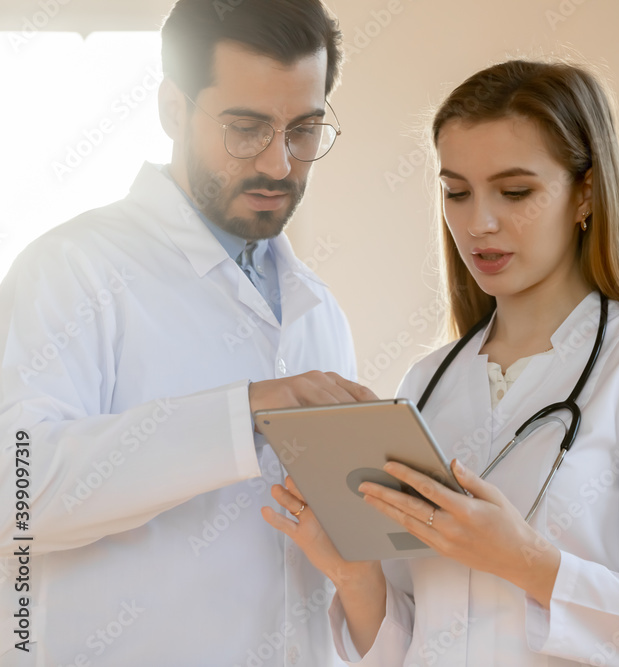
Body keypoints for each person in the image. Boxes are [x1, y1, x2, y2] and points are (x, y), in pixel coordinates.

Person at [265, 60, 619, 666]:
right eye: (457, 193)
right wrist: (352, 572)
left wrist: (523, 559)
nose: (478, 223)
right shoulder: (427, 382)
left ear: (586, 193)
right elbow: (407, 645)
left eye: (515, 192)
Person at [0, 1, 367, 664]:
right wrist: (243, 410)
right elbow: (14, 497)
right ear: (173, 109)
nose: (279, 164)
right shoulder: (72, 269)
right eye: (246, 129)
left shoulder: (320, 312)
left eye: (304, 131)